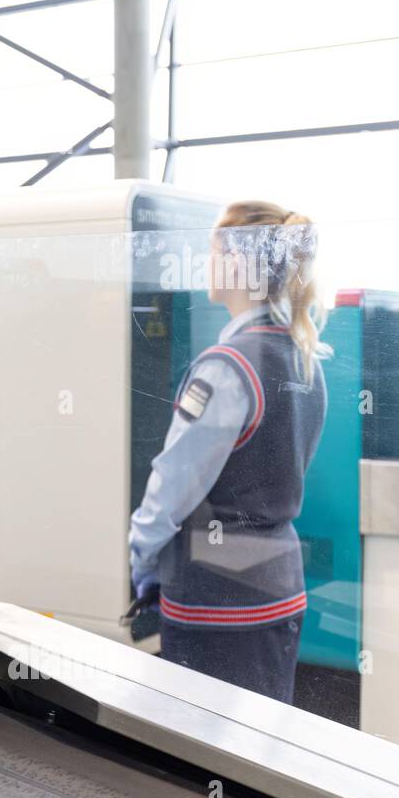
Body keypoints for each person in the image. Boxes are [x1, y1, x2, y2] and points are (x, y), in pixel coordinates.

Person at [128, 201, 328, 703]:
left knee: (204, 758)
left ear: (237, 266)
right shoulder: (306, 358)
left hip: (217, 603)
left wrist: (142, 557)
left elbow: (173, 484)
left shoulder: (227, 367)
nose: (204, 264)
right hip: (279, 591)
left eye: (212, 252)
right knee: (258, 756)